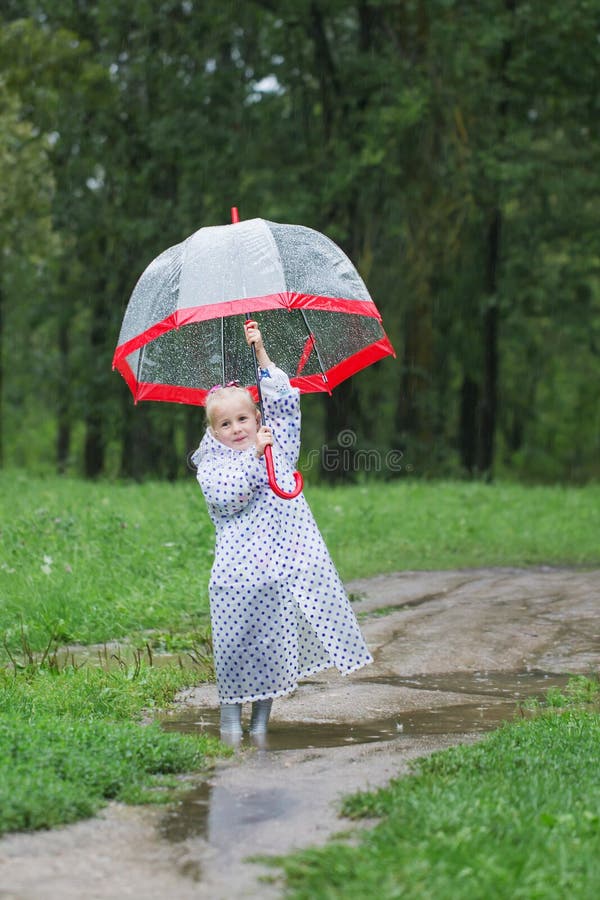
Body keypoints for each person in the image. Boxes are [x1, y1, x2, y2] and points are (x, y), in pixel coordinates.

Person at [191, 320, 373, 742]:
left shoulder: (277, 449)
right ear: (212, 431)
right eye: (225, 425)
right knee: (237, 646)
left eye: (243, 419)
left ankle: (260, 721)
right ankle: (230, 716)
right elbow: (230, 496)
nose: (236, 429)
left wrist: (261, 353)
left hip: (277, 572)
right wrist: (253, 459)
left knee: (272, 645)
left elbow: (286, 404)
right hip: (237, 579)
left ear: (258, 419)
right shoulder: (214, 467)